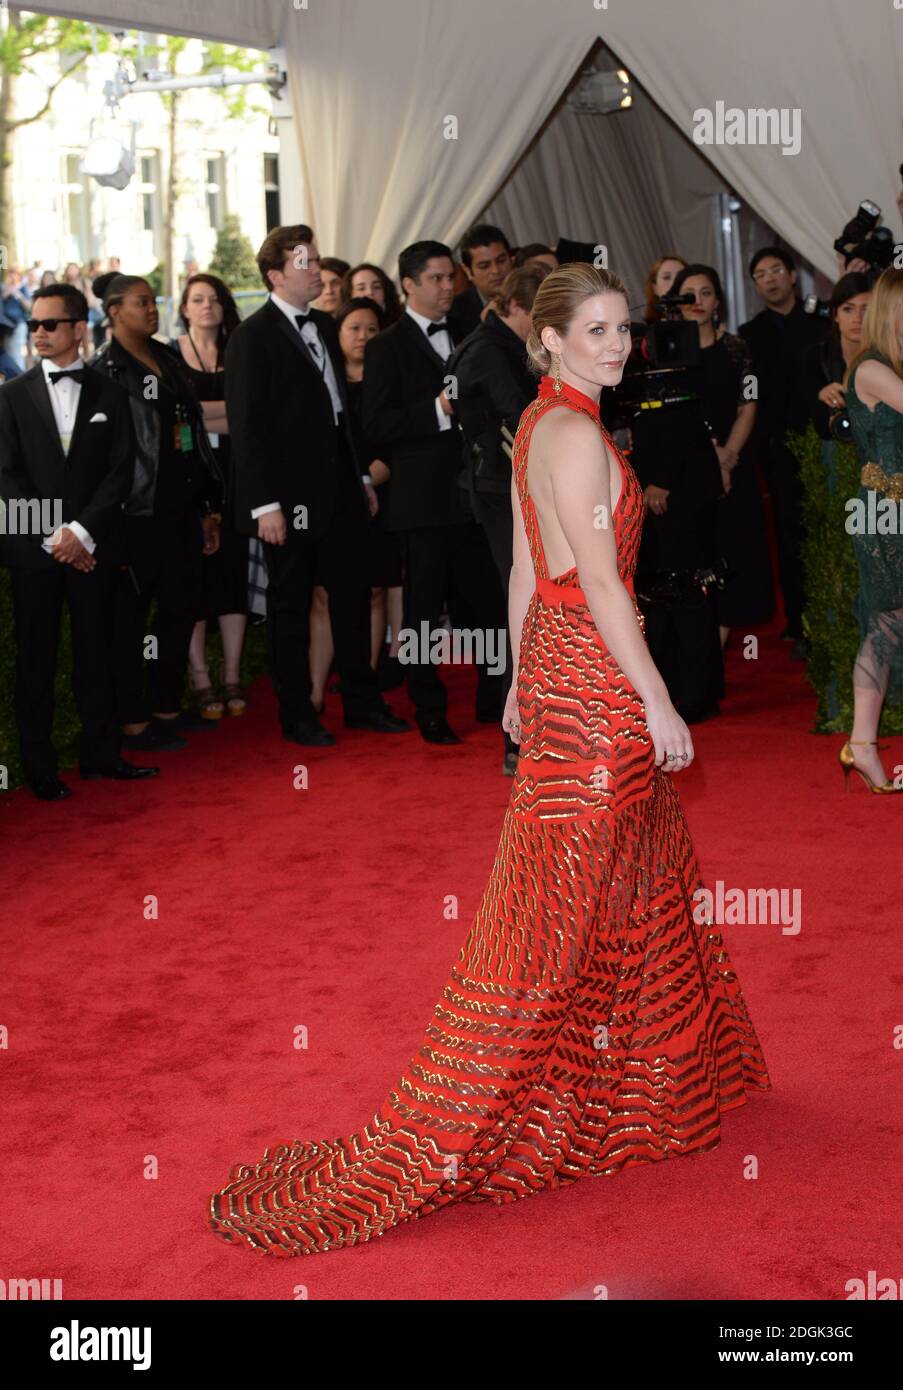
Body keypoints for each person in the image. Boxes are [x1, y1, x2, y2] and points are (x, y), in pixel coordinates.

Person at [206, 261, 770, 1258]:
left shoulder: (535, 428)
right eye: (593, 329)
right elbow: (596, 578)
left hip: (555, 666)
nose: (615, 343)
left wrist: (514, 683)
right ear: (547, 338)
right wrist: (655, 695)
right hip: (596, 678)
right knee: (569, 910)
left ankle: (654, 1079)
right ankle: (499, 1110)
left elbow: (522, 559)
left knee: (624, 880)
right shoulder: (581, 438)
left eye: (623, 327)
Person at [224, 223, 409, 745]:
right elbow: (248, 427)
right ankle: (297, 715)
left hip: (341, 491)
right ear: (275, 275)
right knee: (290, 609)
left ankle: (362, 703)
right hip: (286, 499)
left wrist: (358, 477)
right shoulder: (250, 338)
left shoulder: (327, 328)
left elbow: (341, 415)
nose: (318, 271)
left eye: (317, 260)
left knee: (353, 597)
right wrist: (266, 505)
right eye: (305, 263)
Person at [0, 283, 158, 798]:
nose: (39, 333)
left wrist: (83, 533)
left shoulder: (110, 394)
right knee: (37, 659)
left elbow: (119, 472)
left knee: (99, 653)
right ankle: (40, 768)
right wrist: (57, 538)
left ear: (77, 329)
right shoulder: (10, 395)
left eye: (50, 324)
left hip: (94, 548)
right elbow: (7, 478)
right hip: (35, 552)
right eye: (35, 324)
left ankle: (101, 755)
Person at [362, 239, 508, 744]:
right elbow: (376, 424)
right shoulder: (385, 346)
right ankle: (428, 706)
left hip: (479, 492)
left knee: (491, 602)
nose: (448, 287)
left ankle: (496, 699)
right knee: (423, 609)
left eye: (451, 278)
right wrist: (437, 411)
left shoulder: (471, 330)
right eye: (437, 279)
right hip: (423, 500)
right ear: (408, 285)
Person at [89, 275, 224, 752]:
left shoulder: (166, 357)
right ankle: (132, 722)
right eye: (141, 303)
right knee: (129, 621)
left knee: (180, 609)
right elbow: (101, 457)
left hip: (183, 509)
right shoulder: (104, 371)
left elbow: (193, 436)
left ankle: (166, 707)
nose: (151, 309)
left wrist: (208, 507)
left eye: (152, 301)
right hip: (135, 515)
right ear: (113, 311)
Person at [447, 262, 548, 771]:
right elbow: (526, 414)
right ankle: (519, 738)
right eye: (539, 314)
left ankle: (526, 730)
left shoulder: (492, 344)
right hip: (498, 493)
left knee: (525, 609)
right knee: (524, 609)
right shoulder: (491, 351)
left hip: (500, 489)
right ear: (514, 307)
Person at [674, 263, 773, 648]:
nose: (697, 301)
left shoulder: (737, 348)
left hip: (734, 462)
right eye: (689, 294)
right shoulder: (666, 351)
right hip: (685, 468)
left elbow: (748, 404)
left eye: (706, 293)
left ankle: (721, 635)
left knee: (735, 547)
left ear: (718, 301)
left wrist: (727, 456)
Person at [739, 247, 830, 656]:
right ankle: (799, 623)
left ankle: (835, 615)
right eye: (760, 274)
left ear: (793, 275)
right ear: (755, 285)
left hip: (826, 439)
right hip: (779, 448)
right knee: (790, 535)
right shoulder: (750, 333)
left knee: (829, 529)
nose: (770, 278)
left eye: (776, 269)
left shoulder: (821, 322)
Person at [171, 273, 249, 719]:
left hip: (237, 478)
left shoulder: (239, 350)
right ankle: (200, 679)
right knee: (194, 578)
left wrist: (206, 416)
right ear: (184, 307)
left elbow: (248, 413)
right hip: (191, 479)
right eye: (197, 299)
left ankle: (233, 674)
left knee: (233, 574)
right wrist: (217, 416)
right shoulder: (171, 354)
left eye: (214, 299)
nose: (206, 306)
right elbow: (181, 419)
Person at [838, 267, 903, 793]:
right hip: (887, 514)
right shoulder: (873, 368)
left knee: (890, 625)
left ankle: (862, 742)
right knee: (886, 625)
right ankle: (861, 742)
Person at [334, 295, 404, 691]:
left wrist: (366, 483)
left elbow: (395, 444)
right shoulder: (328, 383)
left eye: (372, 329)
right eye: (354, 328)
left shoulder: (386, 379)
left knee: (383, 583)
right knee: (343, 589)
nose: (363, 337)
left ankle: (382, 664)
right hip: (340, 499)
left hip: (385, 492)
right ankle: (349, 665)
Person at [782, 273, 871, 441]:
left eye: (866, 309)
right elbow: (817, 427)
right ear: (835, 315)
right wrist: (821, 397)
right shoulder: (815, 357)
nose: (857, 319)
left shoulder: (888, 355)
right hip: (831, 456)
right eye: (848, 309)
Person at [448, 224, 513, 340]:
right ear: (468, 271)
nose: (496, 271)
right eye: (484, 266)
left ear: (511, 259)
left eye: (501, 261)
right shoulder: (454, 313)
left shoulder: (534, 295)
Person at [644, 253, 686, 323]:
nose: (674, 283)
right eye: (667, 277)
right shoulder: (645, 331)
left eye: (680, 276)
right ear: (655, 288)